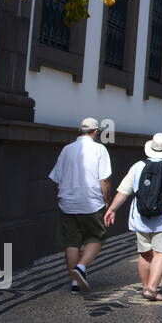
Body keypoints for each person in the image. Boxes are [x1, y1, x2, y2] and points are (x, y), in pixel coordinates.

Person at [104, 133, 162, 302]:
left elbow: (124, 190)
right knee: (161, 253)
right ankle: (152, 289)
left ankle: (146, 286)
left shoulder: (137, 166)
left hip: (141, 218)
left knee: (145, 253)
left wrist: (112, 209)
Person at [49, 117, 113, 294]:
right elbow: (105, 180)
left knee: (71, 242)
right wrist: (107, 200)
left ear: (80, 131)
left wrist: (62, 196)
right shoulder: (100, 149)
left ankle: (75, 283)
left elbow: (56, 179)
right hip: (91, 202)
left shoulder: (66, 149)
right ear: (96, 132)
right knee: (96, 237)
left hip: (67, 202)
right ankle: (81, 268)